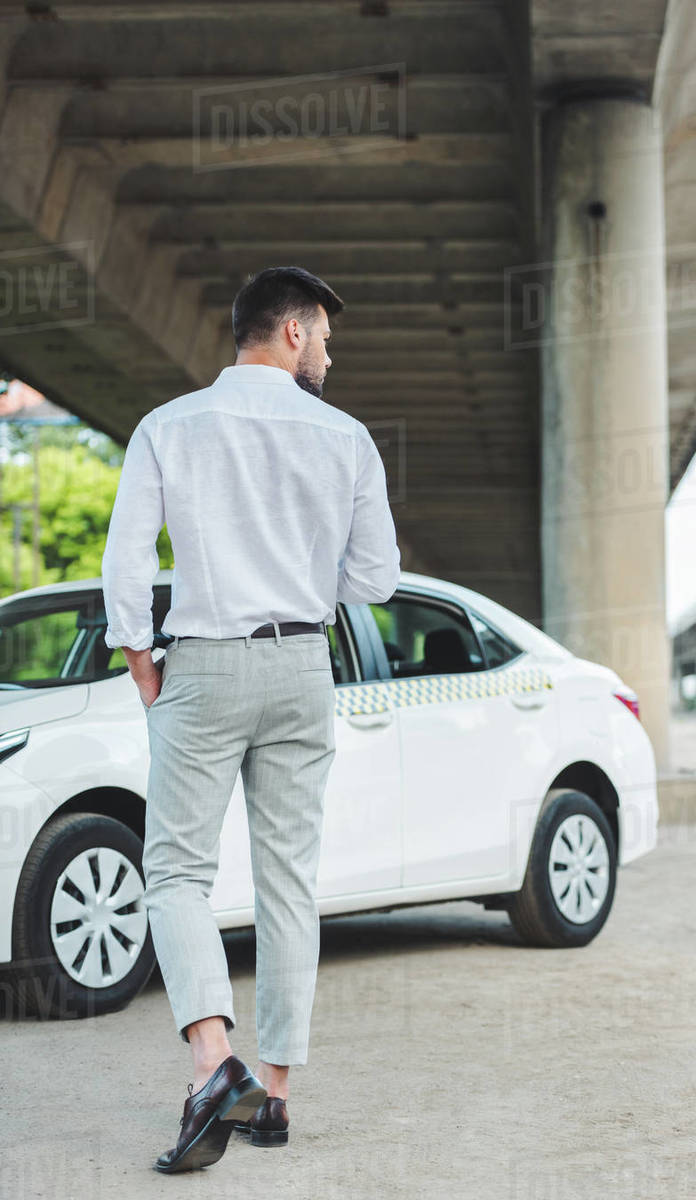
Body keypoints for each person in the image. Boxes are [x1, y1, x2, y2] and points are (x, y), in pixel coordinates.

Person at [101, 266, 402, 1173]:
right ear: (295, 332)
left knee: (176, 874)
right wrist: (309, 593)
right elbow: (377, 578)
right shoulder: (346, 437)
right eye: (325, 337)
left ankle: (211, 1062)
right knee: (287, 884)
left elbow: (126, 558)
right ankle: (270, 1096)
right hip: (302, 665)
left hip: (204, 663)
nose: (330, 353)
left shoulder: (169, 426)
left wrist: (140, 659)